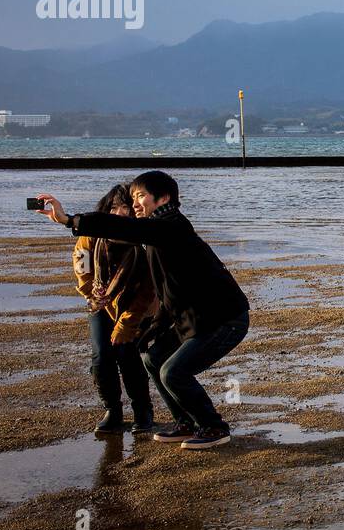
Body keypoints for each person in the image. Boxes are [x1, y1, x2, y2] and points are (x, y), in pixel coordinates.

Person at [36, 170, 249, 450]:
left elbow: (125, 229)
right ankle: (185, 422)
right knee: (154, 357)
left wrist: (70, 220)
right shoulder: (156, 233)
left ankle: (214, 427)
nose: (135, 203)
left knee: (173, 372)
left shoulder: (171, 227)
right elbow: (165, 291)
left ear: (164, 198)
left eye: (140, 197)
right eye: (133, 196)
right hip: (194, 318)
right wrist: (153, 328)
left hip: (224, 319)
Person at [73, 183, 156, 434]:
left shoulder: (144, 239)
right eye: (114, 208)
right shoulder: (91, 236)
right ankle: (113, 410)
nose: (120, 213)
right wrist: (92, 294)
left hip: (135, 307)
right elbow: (82, 267)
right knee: (101, 356)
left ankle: (143, 410)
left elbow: (149, 288)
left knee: (127, 355)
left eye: (125, 207)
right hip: (100, 305)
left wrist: (128, 320)